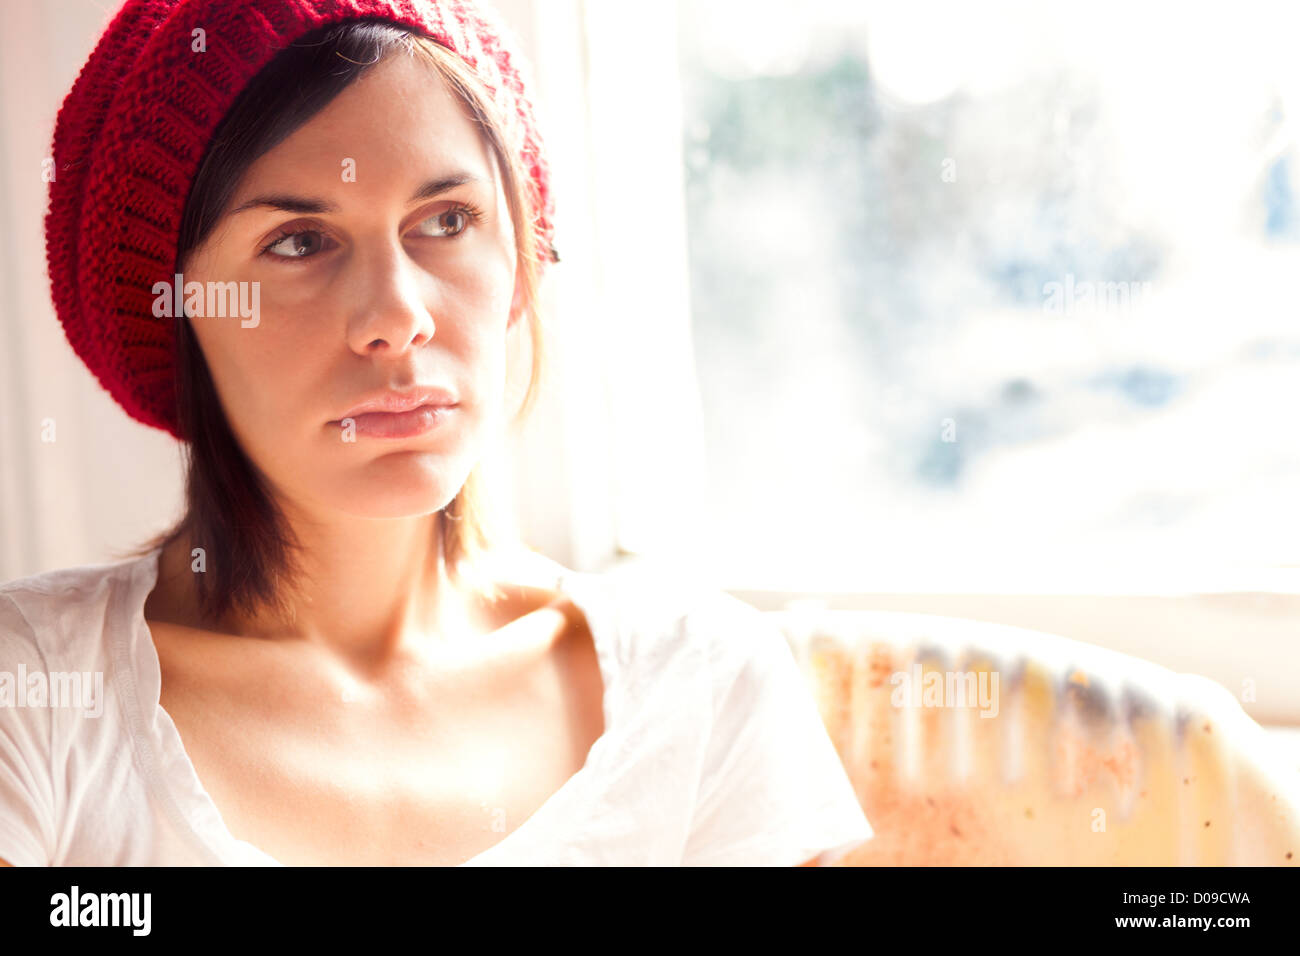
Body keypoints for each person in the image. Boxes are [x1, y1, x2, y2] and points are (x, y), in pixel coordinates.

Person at [0, 0, 873, 866]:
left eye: (448, 222)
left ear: (522, 268)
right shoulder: (34, 696)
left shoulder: (702, 688)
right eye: (300, 242)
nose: (395, 317)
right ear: (178, 314)